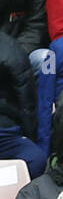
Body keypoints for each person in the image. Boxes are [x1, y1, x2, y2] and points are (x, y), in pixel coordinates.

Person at [0, 31, 39, 178]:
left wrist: (28, 135)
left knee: (35, 159)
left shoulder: (9, 47)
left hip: (5, 131)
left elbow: (26, 100)